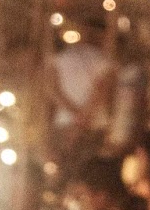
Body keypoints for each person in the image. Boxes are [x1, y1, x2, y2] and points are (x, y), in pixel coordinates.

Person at [47, 17, 115, 169]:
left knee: (63, 165)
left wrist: (73, 113)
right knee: (89, 167)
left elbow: (52, 89)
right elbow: (102, 91)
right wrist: (83, 116)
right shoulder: (104, 61)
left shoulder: (60, 58)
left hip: (65, 121)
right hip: (93, 124)